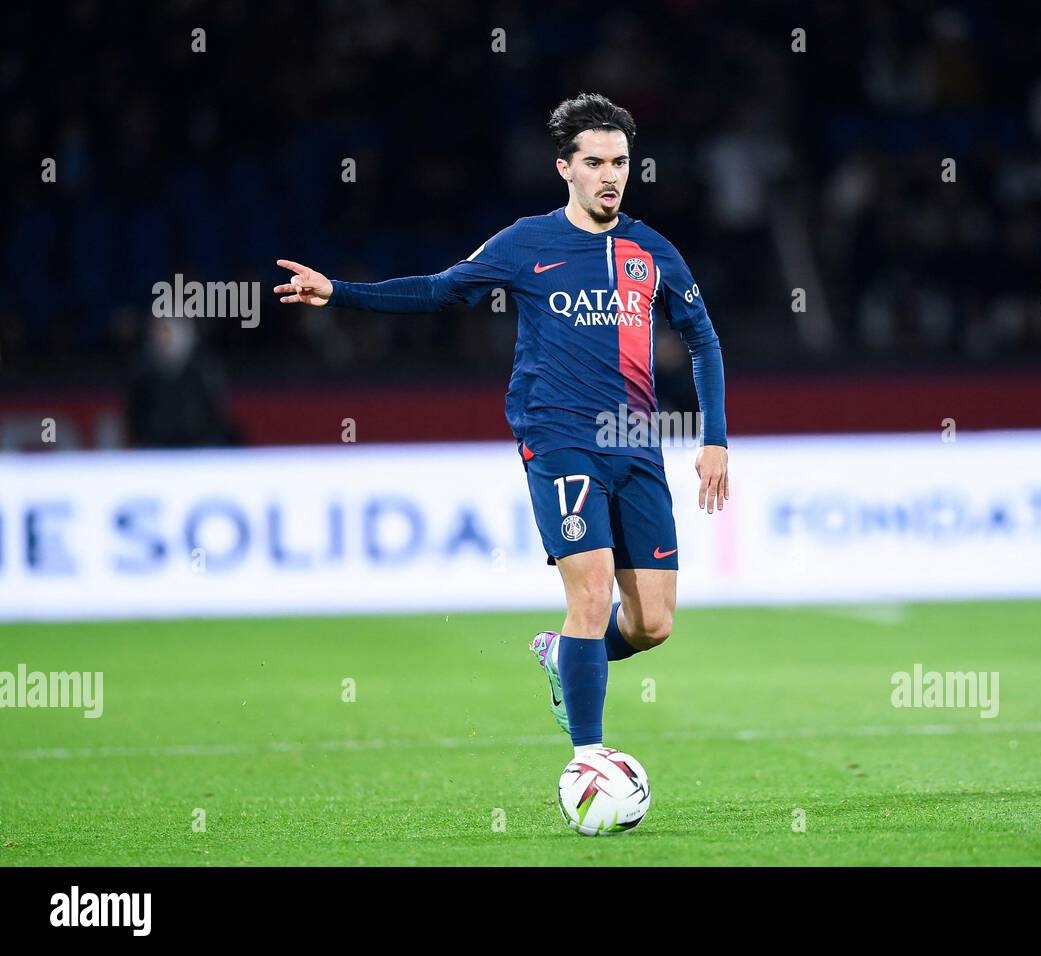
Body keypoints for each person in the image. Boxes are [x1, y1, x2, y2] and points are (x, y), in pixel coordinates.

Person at [275, 93, 729, 759]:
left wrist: (714, 437)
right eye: (596, 162)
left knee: (652, 624)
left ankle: (563, 657)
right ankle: (588, 761)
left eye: (621, 162)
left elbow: (703, 340)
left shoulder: (651, 250)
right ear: (564, 169)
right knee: (591, 593)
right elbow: (439, 289)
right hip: (559, 440)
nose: (611, 175)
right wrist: (339, 292)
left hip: (635, 446)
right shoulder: (526, 243)